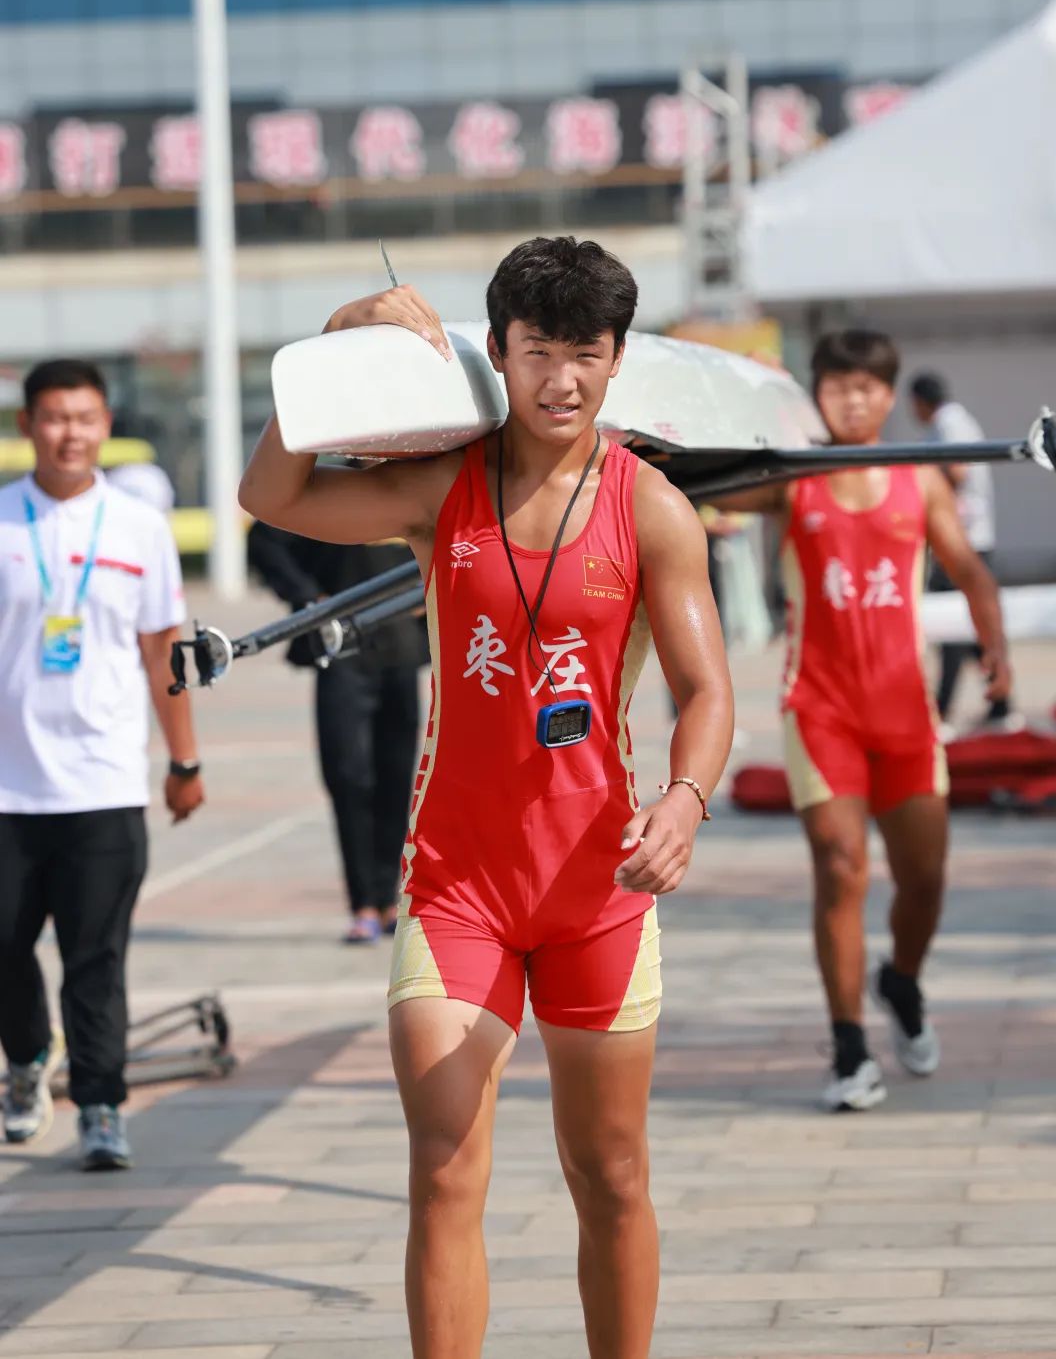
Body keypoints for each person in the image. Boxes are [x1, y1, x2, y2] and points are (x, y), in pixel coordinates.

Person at [239, 236, 734, 1359]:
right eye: (538, 350)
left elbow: (707, 690)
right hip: (458, 883)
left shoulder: (653, 510)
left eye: (586, 353)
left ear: (617, 360)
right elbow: (271, 493)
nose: (562, 379)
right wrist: (341, 335)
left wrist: (684, 799)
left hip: (598, 888)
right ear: (499, 353)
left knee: (610, 1172)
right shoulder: (440, 487)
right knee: (444, 1161)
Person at [714, 330, 1010, 1112]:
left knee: (925, 880)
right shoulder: (790, 479)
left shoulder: (921, 479)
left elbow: (971, 569)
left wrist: (996, 649)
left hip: (906, 714)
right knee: (841, 865)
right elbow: (704, 485)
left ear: (889, 394)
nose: (853, 399)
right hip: (821, 711)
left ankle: (901, 981)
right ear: (816, 394)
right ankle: (849, 1046)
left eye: (868, 386)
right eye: (838, 385)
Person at [0, 360, 204, 1170]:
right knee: (5, 946)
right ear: (28, 426)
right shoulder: (3, 521)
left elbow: (162, 652)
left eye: (85, 418)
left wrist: (183, 758)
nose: (70, 433)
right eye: (54, 417)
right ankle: (26, 1059)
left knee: (96, 956)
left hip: (104, 782)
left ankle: (100, 1105)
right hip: (9, 786)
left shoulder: (138, 527)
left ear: (105, 424)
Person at [247, 521, 424, 943]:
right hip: (343, 655)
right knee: (347, 776)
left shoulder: (414, 489)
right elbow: (263, 540)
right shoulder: (336, 492)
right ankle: (363, 903)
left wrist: (432, 593)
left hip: (401, 652)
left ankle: (388, 898)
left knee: (397, 778)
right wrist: (309, 599)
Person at [909, 371, 1018, 731]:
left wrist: (922, 480)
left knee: (952, 627)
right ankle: (1000, 703)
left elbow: (958, 472)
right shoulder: (952, 422)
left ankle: (943, 711)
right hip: (963, 536)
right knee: (968, 629)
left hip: (963, 539)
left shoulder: (950, 425)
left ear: (920, 401)